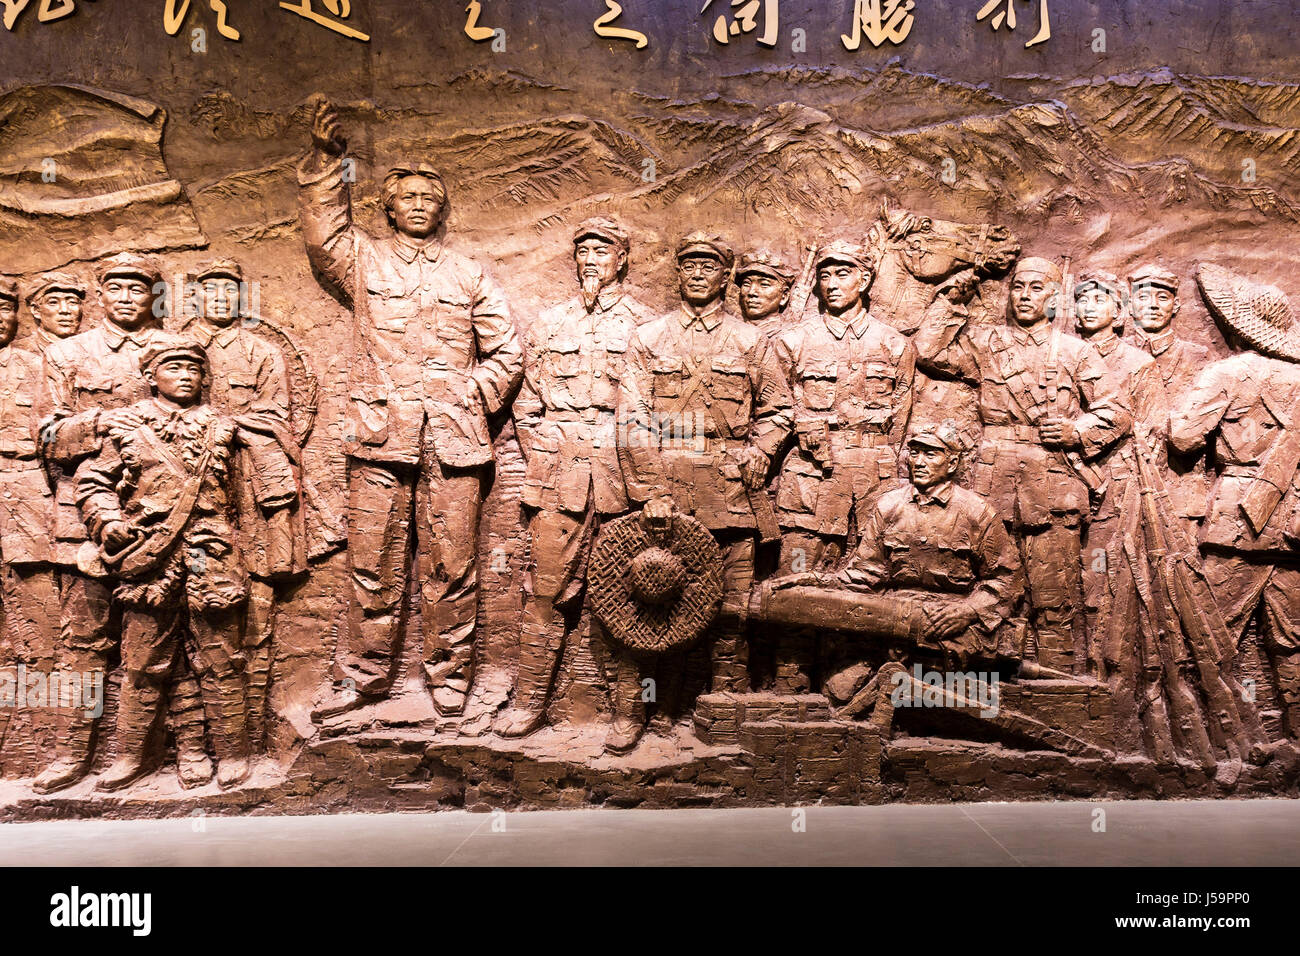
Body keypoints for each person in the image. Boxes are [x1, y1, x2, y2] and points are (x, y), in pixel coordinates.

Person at [298, 98, 523, 720]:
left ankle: (450, 678)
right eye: (408, 196)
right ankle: (363, 678)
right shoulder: (363, 259)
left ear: (441, 209)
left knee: (453, 566)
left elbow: (506, 352)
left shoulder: (469, 273)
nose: (420, 204)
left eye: (431, 197)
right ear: (388, 207)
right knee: (371, 564)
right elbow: (322, 236)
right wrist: (327, 162)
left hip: (454, 440)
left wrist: (470, 394)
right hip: (380, 436)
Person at [76, 335, 297, 790]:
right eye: (173, 368)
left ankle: (234, 756)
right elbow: (93, 480)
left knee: (222, 660)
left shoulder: (225, 429)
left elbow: (259, 492)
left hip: (210, 556)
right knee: (141, 664)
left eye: (193, 369)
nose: (184, 376)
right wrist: (108, 520)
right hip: (150, 560)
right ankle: (130, 758)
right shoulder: (128, 428)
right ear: (150, 376)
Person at [614, 231, 792, 752]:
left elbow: (779, 410)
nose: (696, 273)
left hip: (730, 492)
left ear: (724, 276)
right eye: (688, 263)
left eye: (708, 265)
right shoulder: (649, 339)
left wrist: (761, 449)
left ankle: (723, 710)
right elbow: (633, 420)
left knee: (729, 610)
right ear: (678, 272)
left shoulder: (751, 342)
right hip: (666, 489)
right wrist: (649, 489)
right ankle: (651, 712)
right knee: (656, 603)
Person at [913, 256, 1129, 674]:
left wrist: (1077, 431)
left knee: (1054, 599)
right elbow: (928, 351)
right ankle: (987, 692)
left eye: (1036, 287)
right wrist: (953, 296)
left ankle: (1058, 690)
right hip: (991, 484)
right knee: (984, 593)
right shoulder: (985, 342)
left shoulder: (1076, 351)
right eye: (1018, 287)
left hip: (1053, 487)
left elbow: (1117, 411)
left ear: (1054, 297)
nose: (1025, 295)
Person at [498, 217, 653, 737]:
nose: (590, 260)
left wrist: (646, 476)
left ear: (621, 260)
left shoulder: (644, 325)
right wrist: (543, 450)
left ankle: (629, 711)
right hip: (557, 475)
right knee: (543, 592)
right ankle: (529, 703)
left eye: (601, 251)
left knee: (625, 594)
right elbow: (526, 400)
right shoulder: (549, 323)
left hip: (620, 481)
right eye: (583, 251)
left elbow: (652, 410)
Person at [32, 253, 170, 793]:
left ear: (152, 296)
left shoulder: (172, 350)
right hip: (81, 516)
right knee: (82, 643)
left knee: (149, 641)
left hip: (156, 517)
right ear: (102, 294)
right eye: (117, 287)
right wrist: (100, 421)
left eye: (139, 288)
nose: (128, 297)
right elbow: (44, 434)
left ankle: (134, 757)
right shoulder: (67, 353)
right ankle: (71, 755)